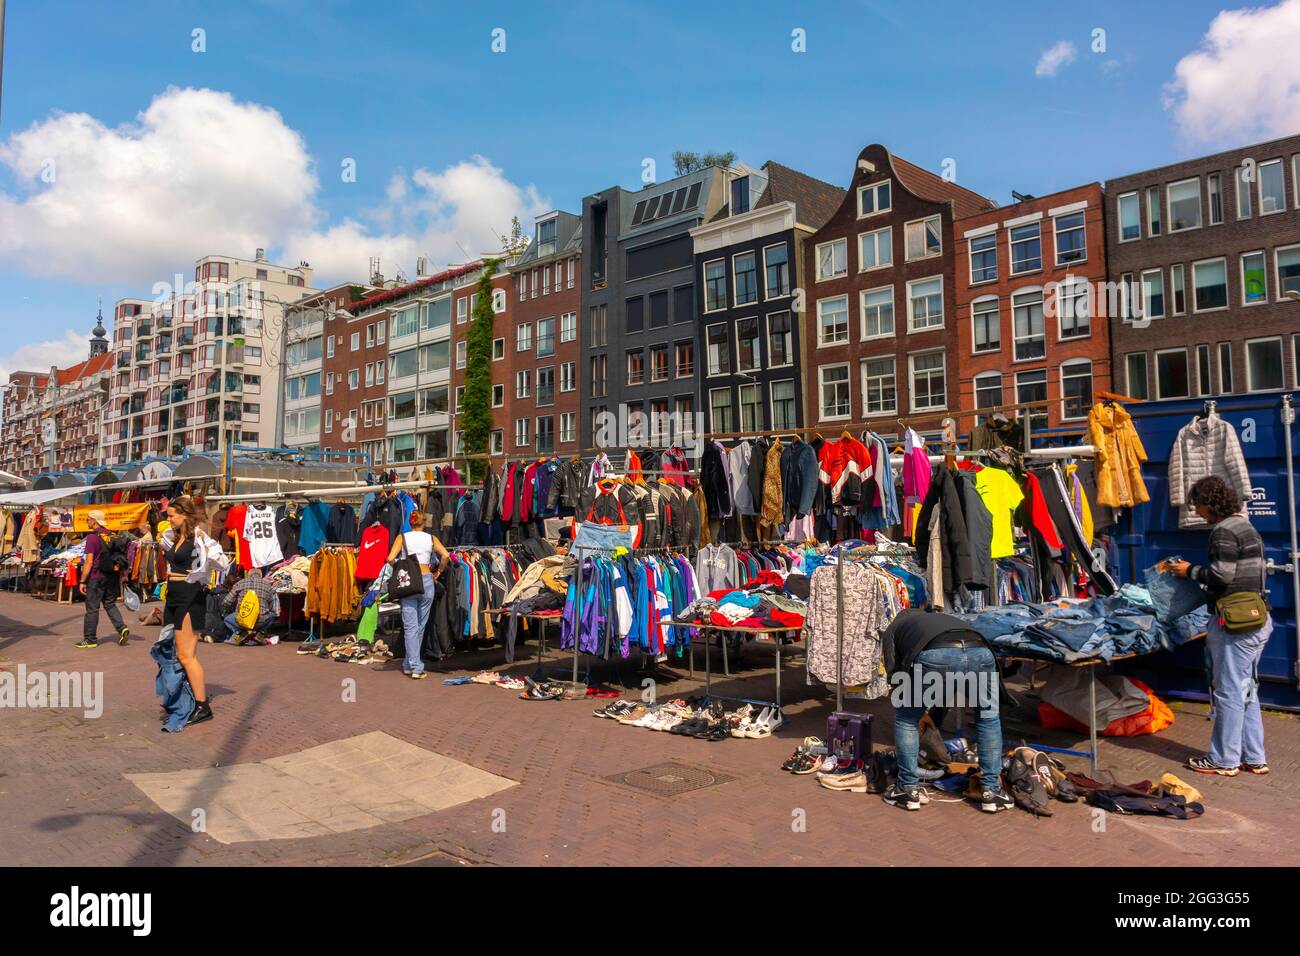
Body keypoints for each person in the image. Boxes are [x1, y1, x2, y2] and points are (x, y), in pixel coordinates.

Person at [1162, 476, 1271, 777]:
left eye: (1197, 504)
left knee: (1228, 692)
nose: (1197, 511)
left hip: (1234, 624)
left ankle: (1223, 760)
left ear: (1210, 503)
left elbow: (1221, 576)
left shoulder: (1222, 531)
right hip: (1258, 619)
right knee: (1247, 689)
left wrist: (1189, 571)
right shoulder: (1247, 527)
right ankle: (1254, 757)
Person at [880, 608, 1013, 812]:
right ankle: (992, 791)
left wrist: (916, 710)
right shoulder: (944, 619)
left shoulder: (894, 628)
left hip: (935, 652)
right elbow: (949, 685)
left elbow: (894, 676)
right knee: (988, 717)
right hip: (981, 651)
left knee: (906, 717)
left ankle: (907, 789)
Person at [159, 496, 229, 726]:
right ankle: (186, 697)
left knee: (187, 655)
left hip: (190, 595)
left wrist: (206, 545)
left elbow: (222, 563)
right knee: (175, 652)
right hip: (174, 595)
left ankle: (202, 706)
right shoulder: (174, 536)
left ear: (185, 515)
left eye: (171, 515)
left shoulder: (199, 538)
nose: (168, 519)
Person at [385, 510, 450, 680]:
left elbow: (390, 558)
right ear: (423, 522)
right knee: (420, 624)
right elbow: (446, 555)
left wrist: (400, 566)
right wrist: (439, 572)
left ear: (410, 522)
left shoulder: (403, 538)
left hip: (410, 582)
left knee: (410, 625)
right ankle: (414, 665)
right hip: (427, 579)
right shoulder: (431, 538)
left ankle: (411, 664)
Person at [76, 510, 130, 649]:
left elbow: (89, 561)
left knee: (92, 608)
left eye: (88, 519)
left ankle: (90, 639)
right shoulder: (112, 535)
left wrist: (82, 581)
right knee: (110, 604)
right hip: (111, 576)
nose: (86, 521)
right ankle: (122, 628)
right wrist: (123, 575)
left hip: (96, 577)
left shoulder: (92, 538)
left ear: (94, 521)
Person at [220, 568, 281, 645]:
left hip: (242, 620)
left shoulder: (240, 583)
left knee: (227, 619)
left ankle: (241, 633)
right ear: (261, 575)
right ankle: (260, 633)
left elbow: (226, 601)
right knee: (273, 615)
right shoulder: (268, 586)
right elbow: (272, 607)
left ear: (248, 575)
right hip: (260, 621)